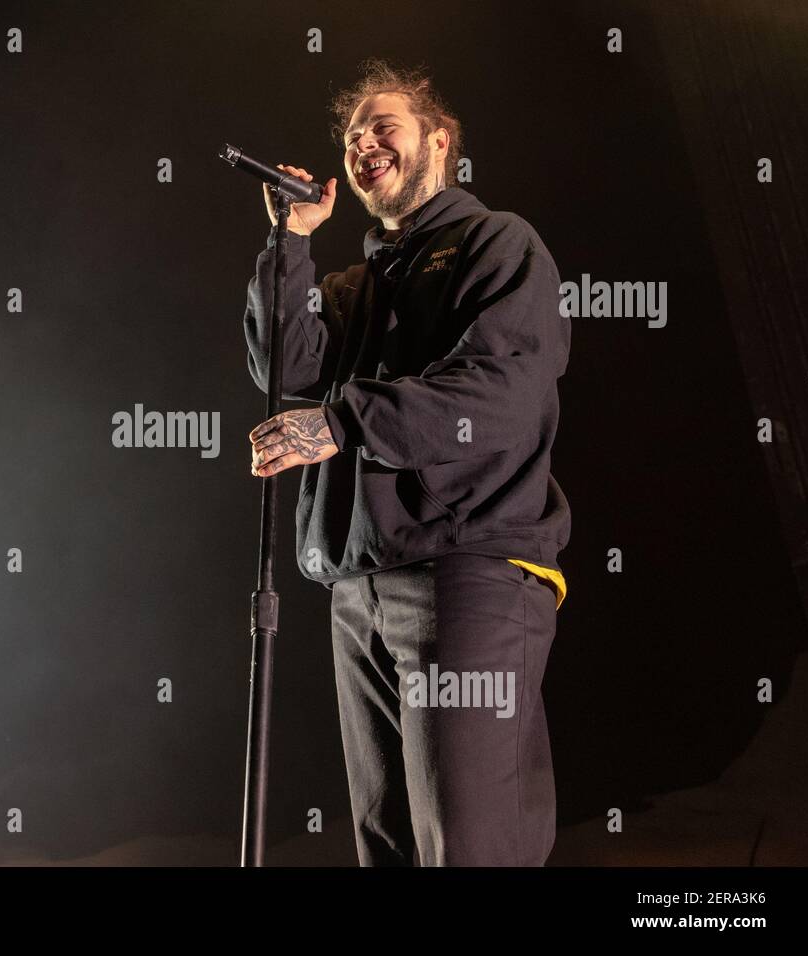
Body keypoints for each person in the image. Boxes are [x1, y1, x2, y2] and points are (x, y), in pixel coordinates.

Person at [242, 60, 571, 866]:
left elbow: (500, 395)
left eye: (383, 126)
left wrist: (342, 420)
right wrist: (289, 240)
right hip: (358, 584)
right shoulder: (355, 286)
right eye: (352, 136)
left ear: (439, 141)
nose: (363, 143)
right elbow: (284, 369)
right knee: (388, 844)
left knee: (467, 844)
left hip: (469, 570)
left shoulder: (496, 243)